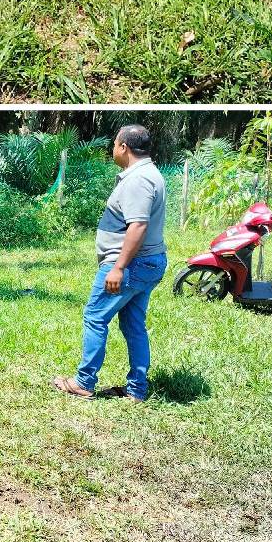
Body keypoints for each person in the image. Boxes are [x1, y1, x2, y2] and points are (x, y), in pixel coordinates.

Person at [54, 124, 169, 402]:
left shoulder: (138, 180)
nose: (113, 149)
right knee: (133, 325)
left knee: (95, 317)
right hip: (146, 263)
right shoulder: (150, 174)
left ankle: (83, 382)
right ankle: (136, 389)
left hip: (131, 265)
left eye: (114, 144)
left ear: (124, 148)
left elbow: (138, 226)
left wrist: (118, 267)